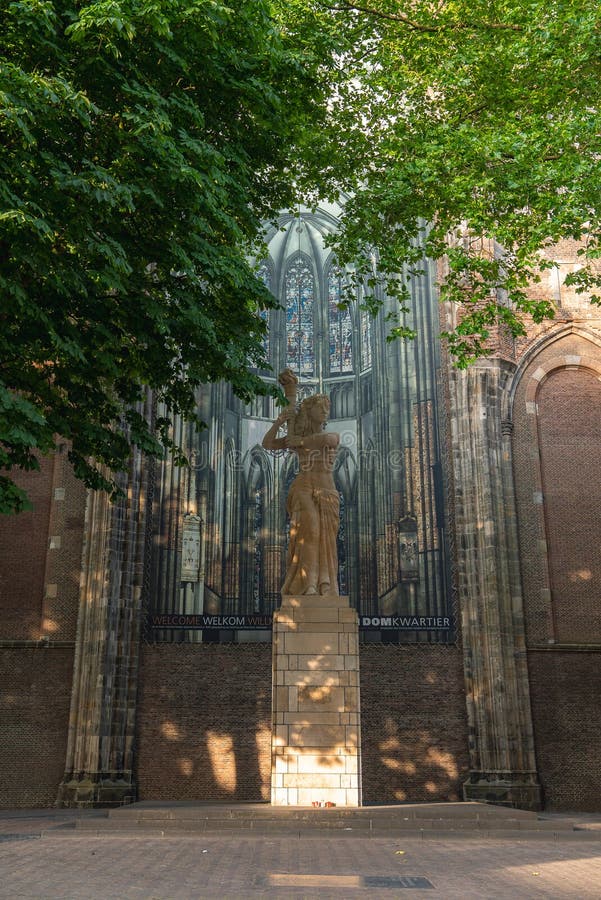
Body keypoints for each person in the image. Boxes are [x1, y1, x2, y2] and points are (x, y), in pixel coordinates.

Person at [262, 391, 340, 596]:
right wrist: (279, 422)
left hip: (327, 490)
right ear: (309, 411)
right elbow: (267, 444)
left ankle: (325, 583)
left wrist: (300, 442)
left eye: (327, 408)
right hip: (303, 486)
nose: (325, 411)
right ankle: (309, 584)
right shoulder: (297, 438)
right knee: (310, 532)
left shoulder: (327, 436)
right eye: (320, 407)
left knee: (326, 539)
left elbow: (330, 439)